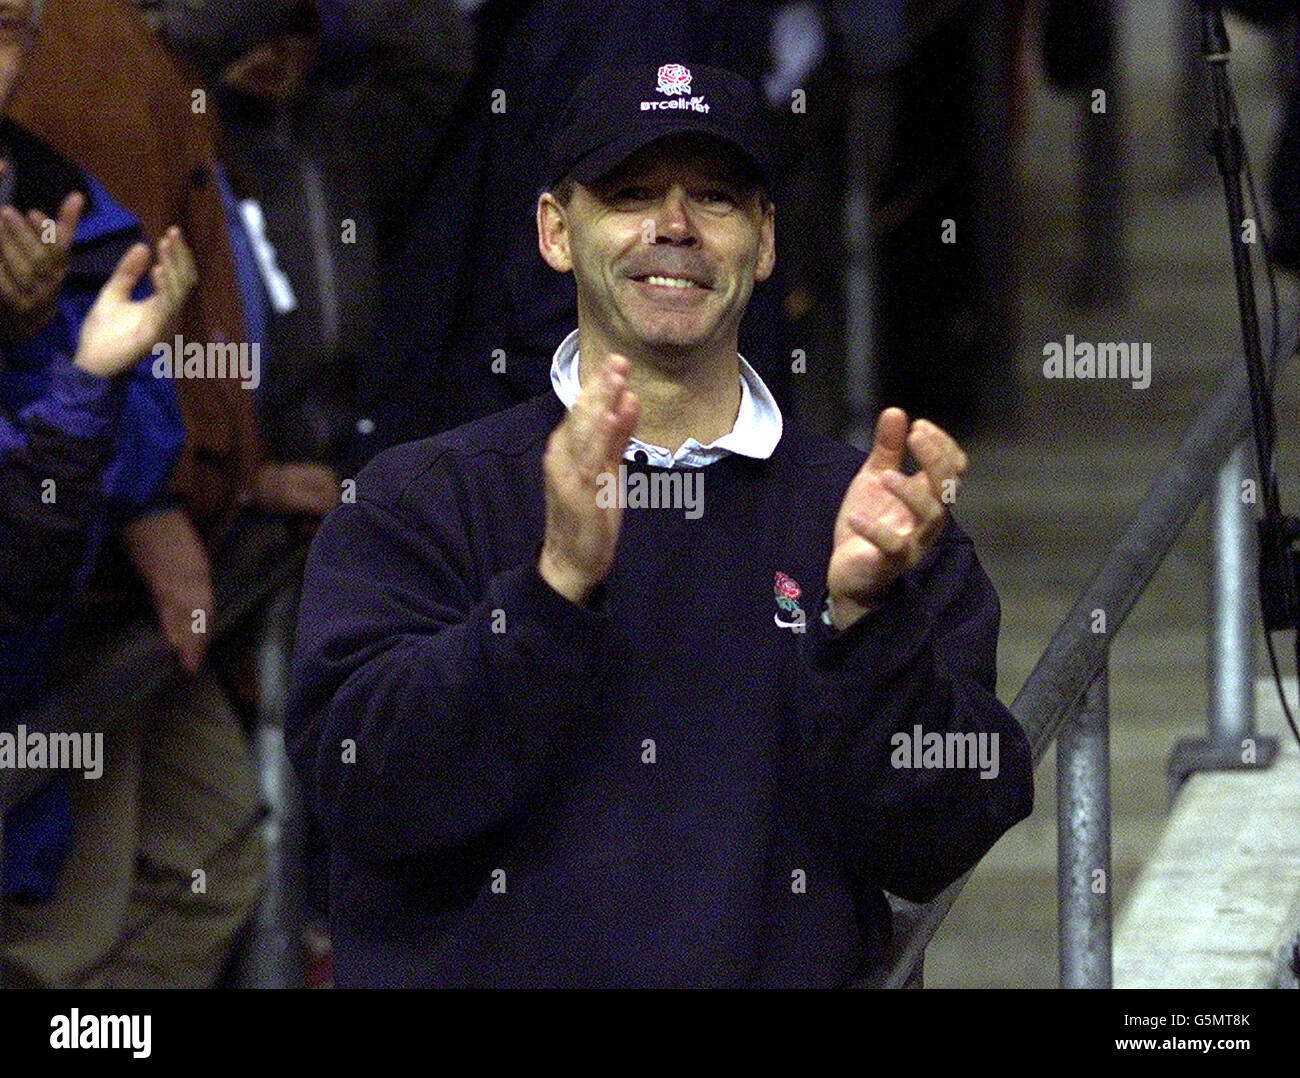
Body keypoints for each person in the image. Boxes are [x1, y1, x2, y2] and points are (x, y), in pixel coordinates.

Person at [287, 63, 1033, 988]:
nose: (673, 227)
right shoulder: (418, 500)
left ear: (764, 241)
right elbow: (366, 792)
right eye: (631, 193)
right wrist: (552, 589)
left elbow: (937, 835)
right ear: (557, 232)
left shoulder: (872, 521)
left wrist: (866, 626)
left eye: (714, 199)